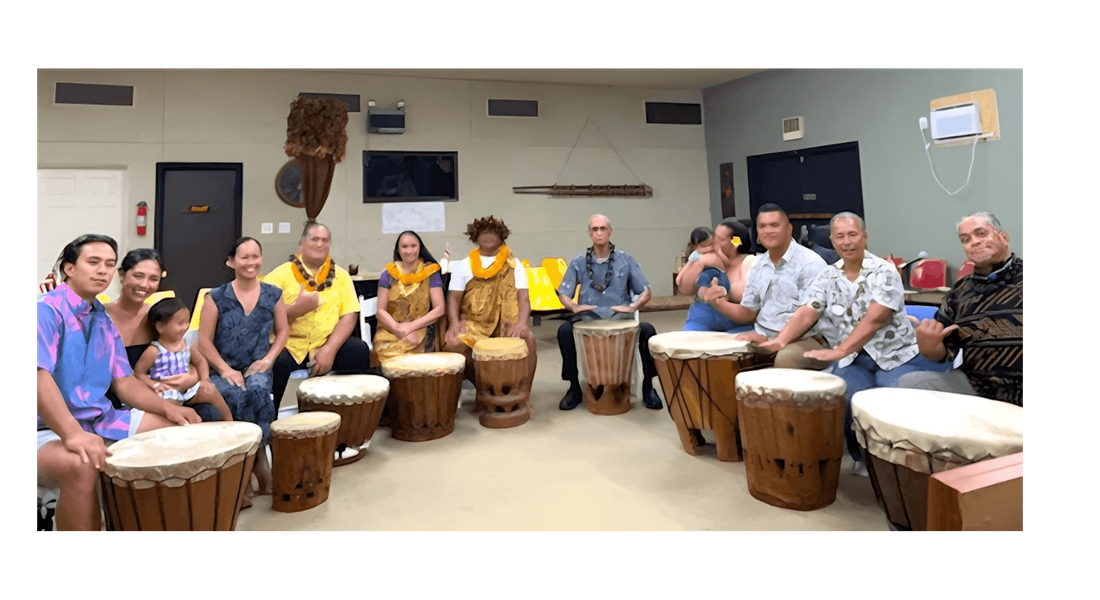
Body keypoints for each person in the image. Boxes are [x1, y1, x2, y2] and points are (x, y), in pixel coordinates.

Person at [37, 234, 201, 533]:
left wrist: (167, 408)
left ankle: (143, 526)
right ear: (69, 268)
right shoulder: (46, 310)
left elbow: (125, 381)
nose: (103, 270)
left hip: (100, 419)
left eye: (110, 264)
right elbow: (40, 376)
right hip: (47, 429)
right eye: (94, 262)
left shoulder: (102, 318)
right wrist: (72, 434)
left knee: (178, 432)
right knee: (82, 464)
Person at [755, 213, 947, 467]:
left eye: (853, 235)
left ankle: (905, 463)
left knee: (895, 400)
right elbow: (808, 310)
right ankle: (864, 457)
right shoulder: (827, 276)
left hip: (893, 356)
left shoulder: (884, 271)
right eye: (840, 236)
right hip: (855, 359)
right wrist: (781, 340)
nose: (847, 242)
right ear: (833, 242)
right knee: (849, 396)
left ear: (864, 238)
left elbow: (876, 318)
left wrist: (840, 350)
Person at [897, 212, 1022, 406]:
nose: (974, 242)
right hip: (974, 385)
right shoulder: (959, 292)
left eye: (981, 233)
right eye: (966, 239)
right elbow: (945, 352)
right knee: (910, 383)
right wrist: (930, 347)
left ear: (1003, 237)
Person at [198, 237, 287, 504]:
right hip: (222, 368)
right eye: (244, 257)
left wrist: (269, 359)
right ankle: (250, 471)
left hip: (257, 366)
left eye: (255, 256)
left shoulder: (274, 294)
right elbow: (204, 341)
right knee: (236, 396)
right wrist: (225, 370)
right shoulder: (215, 297)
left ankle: (256, 466)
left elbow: (283, 331)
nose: (251, 262)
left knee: (259, 391)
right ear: (231, 262)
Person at [699, 204, 831, 369]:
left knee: (785, 358)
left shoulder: (811, 262)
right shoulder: (758, 264)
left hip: (806, 339)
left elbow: (808, 314)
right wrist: (719, 303)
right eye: (763, 226)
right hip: (764, 335)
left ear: (789, 229)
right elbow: (748, 312)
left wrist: (777, 341)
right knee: (719, 354)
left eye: (774, 225)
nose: (768, 230)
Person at [555, 214, 663, 410]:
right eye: (595, 229)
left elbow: (645, 292)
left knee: (648, 331)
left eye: (603, 228)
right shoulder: (579, 261)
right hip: (588, 319)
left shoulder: (626, 260)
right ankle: (573, 387)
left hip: (620, 318)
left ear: (609, 231)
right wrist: (573, 307)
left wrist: (632, 307)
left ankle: (649, 386)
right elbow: (563, 292)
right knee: (563, 331)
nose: (599, 233)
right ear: (589, 233)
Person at [103, 249, 221, 422]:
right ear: (122, 275)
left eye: (153, 279)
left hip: (159, 395)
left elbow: (186, 355)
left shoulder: (159, 317)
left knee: (210, 412)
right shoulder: (101, 316)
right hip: (116, 399)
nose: (144, 285)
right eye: (138, 276)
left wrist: (192, 377)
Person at [267, 222, 372, 410]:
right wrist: (295, 310)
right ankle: (270, 424)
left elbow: (350, 314)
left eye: (325, 240)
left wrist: (330, 348)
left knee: (358, 351)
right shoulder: (280, 275)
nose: (320, 244)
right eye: (315, 239)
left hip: (326, 341)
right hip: (289, 344)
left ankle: (350, 415)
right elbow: (263, 316)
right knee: (275, 363)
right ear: (302, 242)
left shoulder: (341, 276)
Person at [443, 216, 536, 394]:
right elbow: (454, 298)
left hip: (506, 322)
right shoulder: (464, 265)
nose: (488, 236)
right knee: (453, 344)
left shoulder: (515, 265)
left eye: (493, 232)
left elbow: (524, 298)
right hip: (474, 323)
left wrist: (521, 323)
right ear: (475, 237)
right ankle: (485, 389)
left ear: (502, 237)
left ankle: (523, 394)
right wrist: (454, 324)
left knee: (527, 338)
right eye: (483, 232)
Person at [135, 298, 233, 422]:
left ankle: (229, 419)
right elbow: (139, 373)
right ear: (160, 327)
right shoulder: (154, 351)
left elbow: (201, 362)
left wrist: (204, 379)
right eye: (180, 323)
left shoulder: (186, 344)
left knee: (210, 391)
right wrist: (154, 384)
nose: (185, 327)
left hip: (189, 389)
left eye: (187, 322)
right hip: (167, 391)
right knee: (168, 406)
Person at [374, 231, 446, 362]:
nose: (409, 251)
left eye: (413, 246)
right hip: (391, 328)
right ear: (398, 250)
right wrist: (399, 330)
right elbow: (380, 311)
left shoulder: (431, 272)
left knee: (416, 359)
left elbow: (439, 309)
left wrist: (411, 327)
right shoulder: (388, 274)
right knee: (386, 352)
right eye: (405, 246)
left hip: (421, 326)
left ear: (420, 248)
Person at [676, 220, 758, 334]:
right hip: (703, 319)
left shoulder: (750, 262)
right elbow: (684, 289)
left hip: (738, 321)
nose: (713, 242)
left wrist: (720, 295)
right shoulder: (705, 258)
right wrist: (700, 263)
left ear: (735, 242)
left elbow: (745, 296)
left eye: (720, 239)